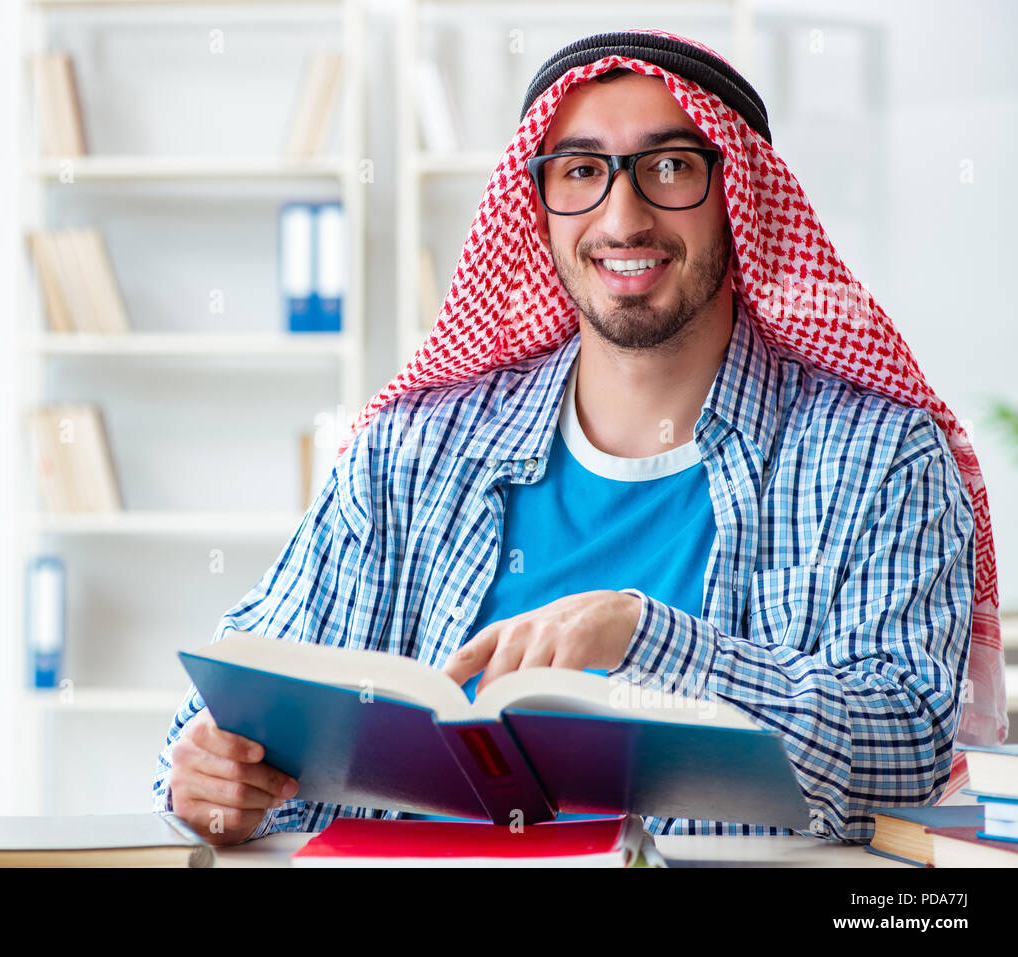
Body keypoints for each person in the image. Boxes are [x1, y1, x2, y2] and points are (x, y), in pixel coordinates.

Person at [152, 29, 1006, 846]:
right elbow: (232, 706)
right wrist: (211, 779)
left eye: (670, 167)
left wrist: (645, 636)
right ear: (542, 207)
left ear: (739, 195)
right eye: (582, 171)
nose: (623, 216)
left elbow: (906, 757)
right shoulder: (411, 454)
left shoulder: (881, 458)